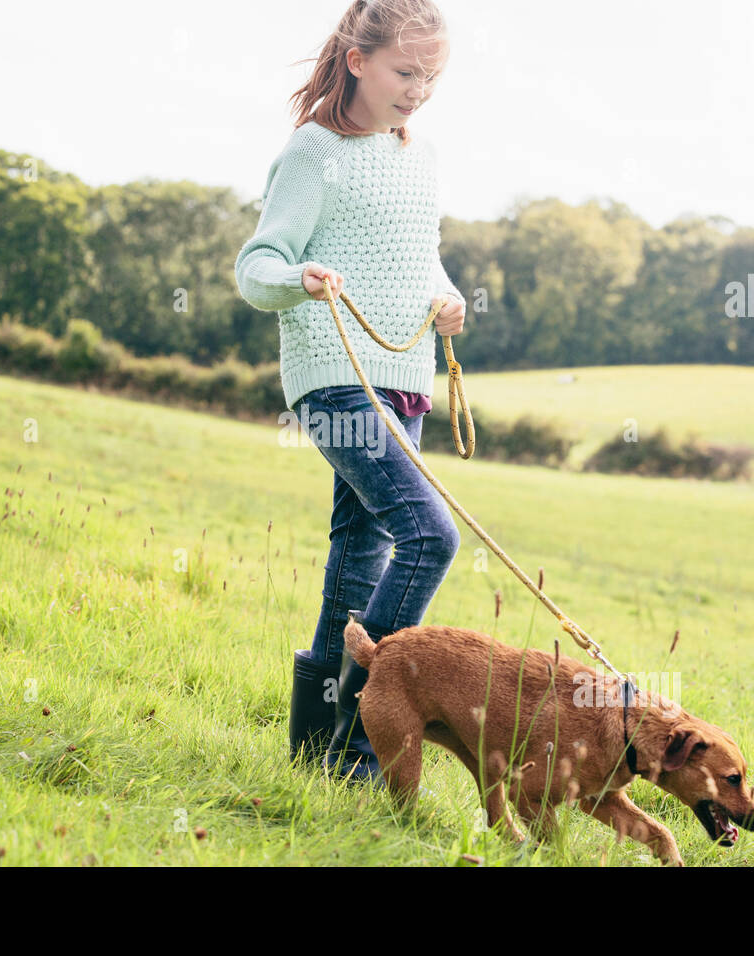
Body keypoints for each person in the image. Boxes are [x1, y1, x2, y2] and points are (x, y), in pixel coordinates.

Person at [233, 0, 466, 783]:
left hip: (405, 384)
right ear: (359, 60)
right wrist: (298, 276)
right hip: (335, 382)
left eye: (431, 76)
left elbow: (416, 256)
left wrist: (446, 295)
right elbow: (257, 263)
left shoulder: (420, 156)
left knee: (360, 553)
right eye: (407, 72)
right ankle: (363, 745)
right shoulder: (314, 151)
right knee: (431, 537)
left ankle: (314, 751)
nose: (419, 90)